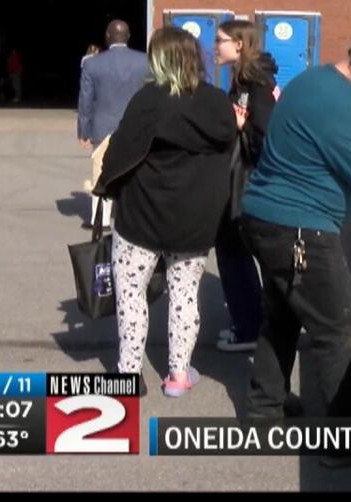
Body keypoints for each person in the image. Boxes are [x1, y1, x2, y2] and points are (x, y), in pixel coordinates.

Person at [238, 34, 351, 428]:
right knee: (340, 329)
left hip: (265, 218)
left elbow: (338, 142)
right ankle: (346, 439)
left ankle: (266, 406)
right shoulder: (344, 107)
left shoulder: (315, 80)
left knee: (282, 316)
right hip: (302, 230)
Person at [93, 26, 237, 397]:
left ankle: (128, 375)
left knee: (131, 296)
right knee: (185, 296)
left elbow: (119, 153)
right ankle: (177, 376)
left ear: (159, 60)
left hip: (141, 217)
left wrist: (106, 185)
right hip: (194, 221)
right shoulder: (217, 103)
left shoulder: (148, 100)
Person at [211, 19, 280, 352]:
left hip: (246, 181)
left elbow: (264, 137)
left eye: (220, 40)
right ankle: (247, 322)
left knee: (234, 250)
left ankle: (251, 327)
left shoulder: (256, 82)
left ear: (239, 44)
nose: (215, 46)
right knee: (232, 250)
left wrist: (238, 126)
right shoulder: (243, 79)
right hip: (236, 179)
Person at [78, 20, 149, 226]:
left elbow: (86, 100)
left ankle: (99, 218)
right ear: (128, 37)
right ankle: (132, 217)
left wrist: (84, 130)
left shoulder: (92, 63)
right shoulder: (144, 61)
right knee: (134, 170)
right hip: (135, 126)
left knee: (100, 170)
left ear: (107, 36)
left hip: (103, 126)